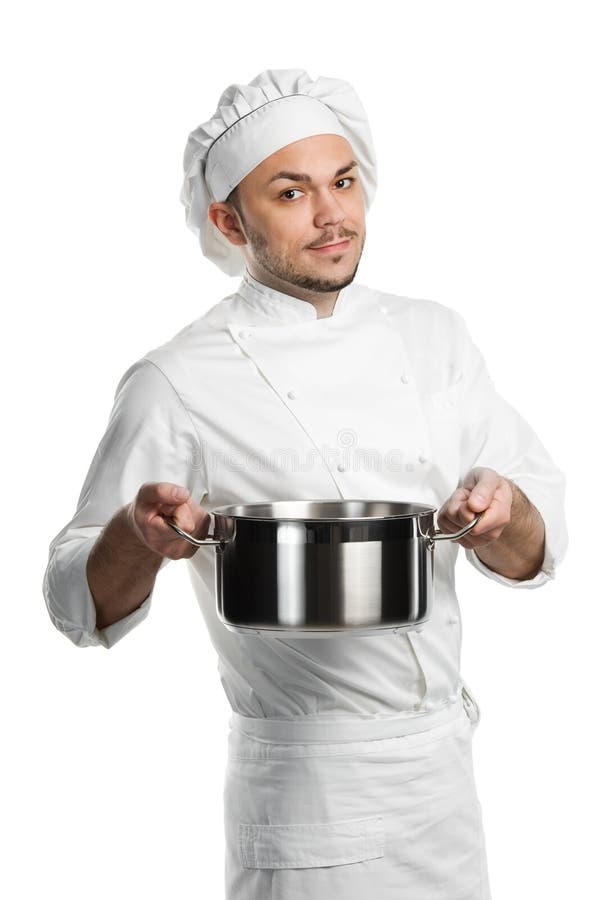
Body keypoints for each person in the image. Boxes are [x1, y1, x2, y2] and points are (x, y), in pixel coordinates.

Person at [42, 68, 568, 899]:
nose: (333, 215)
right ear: (228, 220)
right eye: (291, 193)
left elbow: (538, 547)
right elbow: (73, 598)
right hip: (309, 795)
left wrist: (504, 516)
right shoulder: (177, 377)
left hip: (444, 781)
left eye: (344, 182)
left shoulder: (435, 338)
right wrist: (136, 539)